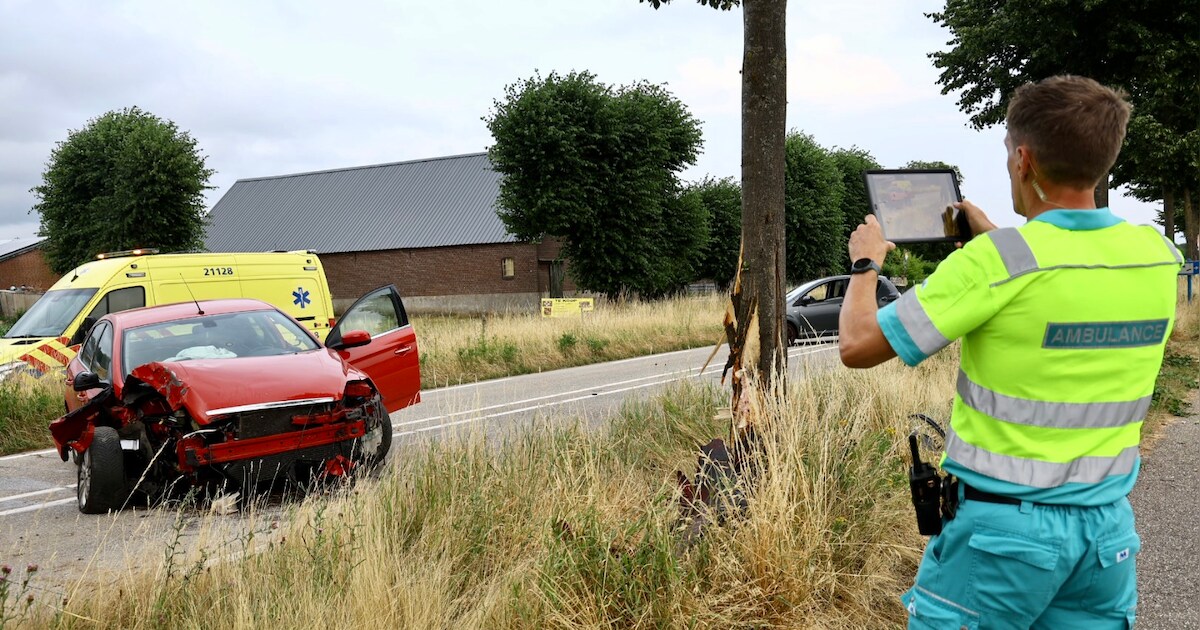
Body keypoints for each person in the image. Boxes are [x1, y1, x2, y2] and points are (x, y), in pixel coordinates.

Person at [839, 75, 1183, 629]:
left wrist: (865, 263)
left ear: (1023, 160)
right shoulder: (1156, 256)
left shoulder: (996, 263)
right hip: (1105, 538)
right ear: (1105, 158)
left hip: (1001, 541)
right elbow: (1063, 273)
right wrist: (999, 236)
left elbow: (857, 345)